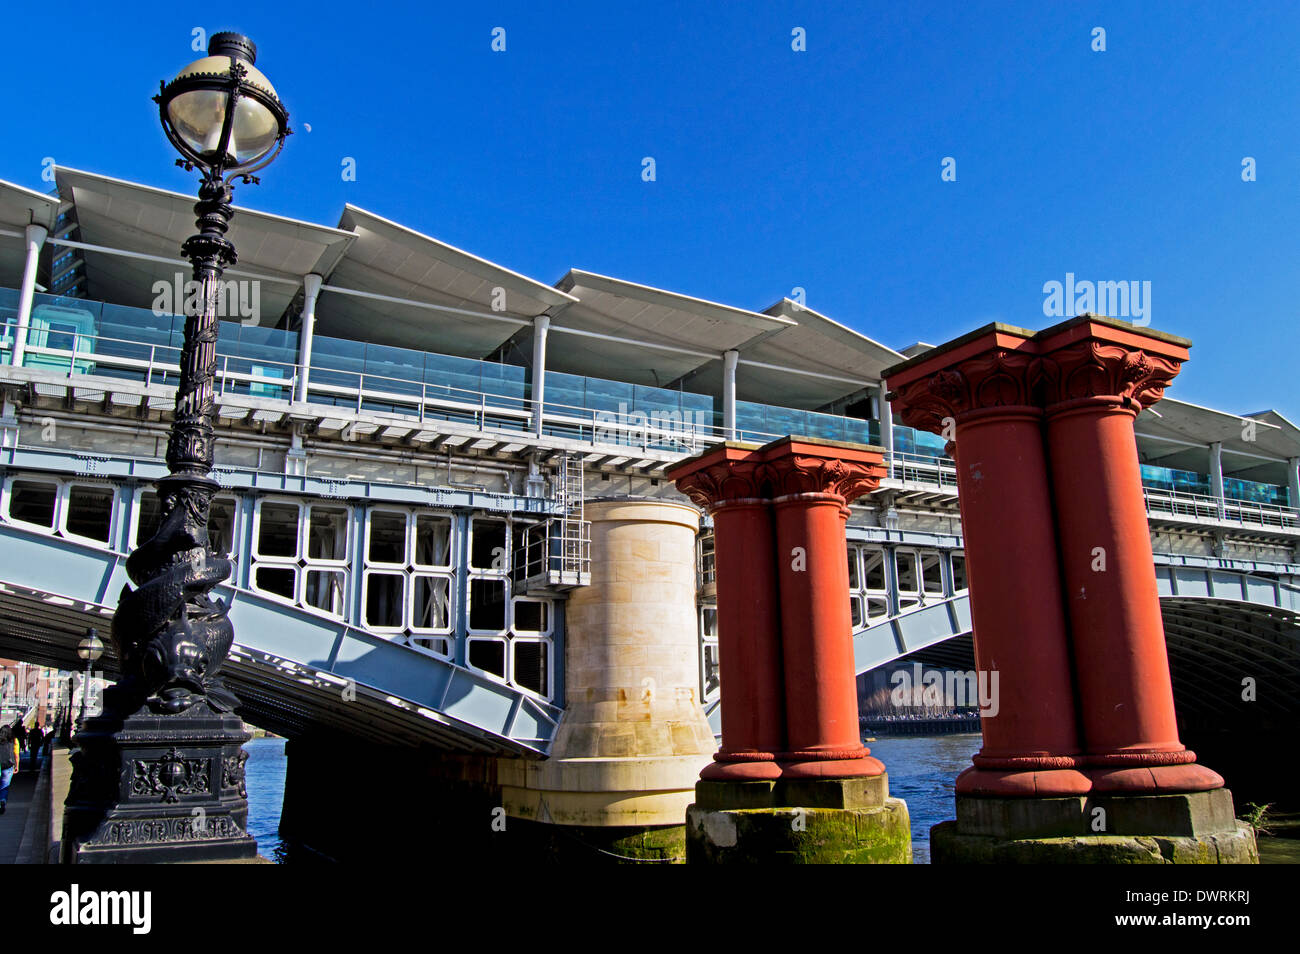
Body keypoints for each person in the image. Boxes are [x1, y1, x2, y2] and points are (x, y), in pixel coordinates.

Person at [0, 720, 17, 815]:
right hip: (8, 765)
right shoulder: (12, 741)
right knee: (4, 786)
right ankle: (2, 800)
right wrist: (16, 765)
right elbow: (15, 754)